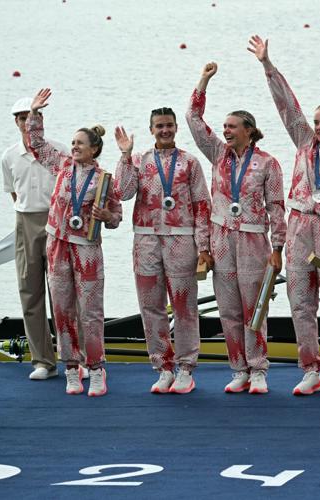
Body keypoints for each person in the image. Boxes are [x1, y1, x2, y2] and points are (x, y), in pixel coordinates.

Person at [250, 35, 320, 396]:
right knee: (300, 303)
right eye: (316, 121)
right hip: (300, 230)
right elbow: (288, 107)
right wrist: (268, 65)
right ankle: (310, 368)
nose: (318, 126)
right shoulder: (303, 144)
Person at [186, 62, 286, 394]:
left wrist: (278, 248)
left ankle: (258, 369)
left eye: (232, 127)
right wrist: (203, 81)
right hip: (221, 238)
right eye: (224, 126)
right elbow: (193, 121)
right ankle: (238, 368)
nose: (225, 131)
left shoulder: (268, 163)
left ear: (249, 130)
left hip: (254, 240)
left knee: (254, 306)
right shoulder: (218, 154)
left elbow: (276, 208)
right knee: (228, 309)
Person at [26, 88, 122, 396]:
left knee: (90, 311)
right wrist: (35, 113)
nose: (74, 147)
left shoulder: (105, 179)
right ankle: (71, 368)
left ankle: (96, 369)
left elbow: (117, 217)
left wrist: (106, 213)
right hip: (58, 245)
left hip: (87, 249)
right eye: (72, 143)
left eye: (79, 144)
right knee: (63, 308)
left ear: (94, 149)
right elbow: (37, 146)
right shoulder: (63, 166)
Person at [114, 108, 212, 394]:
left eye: (169, 125)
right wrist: (124, 155)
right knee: (150, 307)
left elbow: (202, 206)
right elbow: (123, 192)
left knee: (184, 307)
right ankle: (163, 366)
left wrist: (203, 247)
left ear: (176, 127)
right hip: (146, 240)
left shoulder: (190, 163)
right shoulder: (139, 160)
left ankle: (185, 368)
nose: (165, 130)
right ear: (151, 129)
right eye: (159, 126)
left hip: (181, 239)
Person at [2, 97, 67, 380]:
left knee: (63, 293)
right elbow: (14, 195)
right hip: (26, 222)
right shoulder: (9, 156)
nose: (25, 123)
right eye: (20, 118)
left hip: (56, 221)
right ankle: (43, 361)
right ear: (16, 122)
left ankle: (74, 360)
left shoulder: (60, 151)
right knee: (30, 292)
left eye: (31, 117)